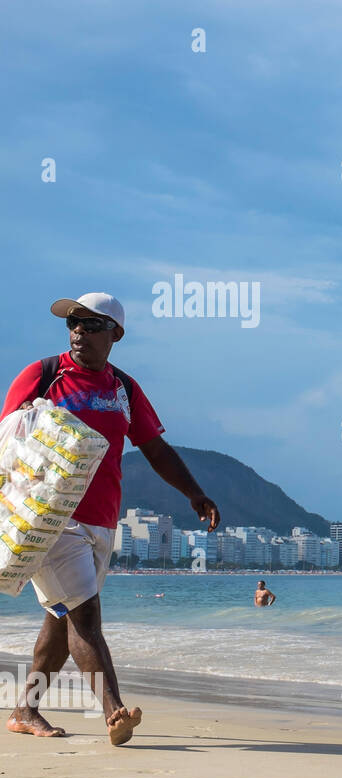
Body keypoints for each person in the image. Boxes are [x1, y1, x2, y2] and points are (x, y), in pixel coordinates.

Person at [3, 293, 220, 745]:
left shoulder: (124, 388)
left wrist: (194, 493)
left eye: (90, 323)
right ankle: (114, 711)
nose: (78, 330)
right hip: (49, 520)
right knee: (85, 613)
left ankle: (25, 709)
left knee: (60, 618)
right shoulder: (43, 375)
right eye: (73, 322)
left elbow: (155, 448)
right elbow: (6, 440)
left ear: (115, 334)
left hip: (102, 520)